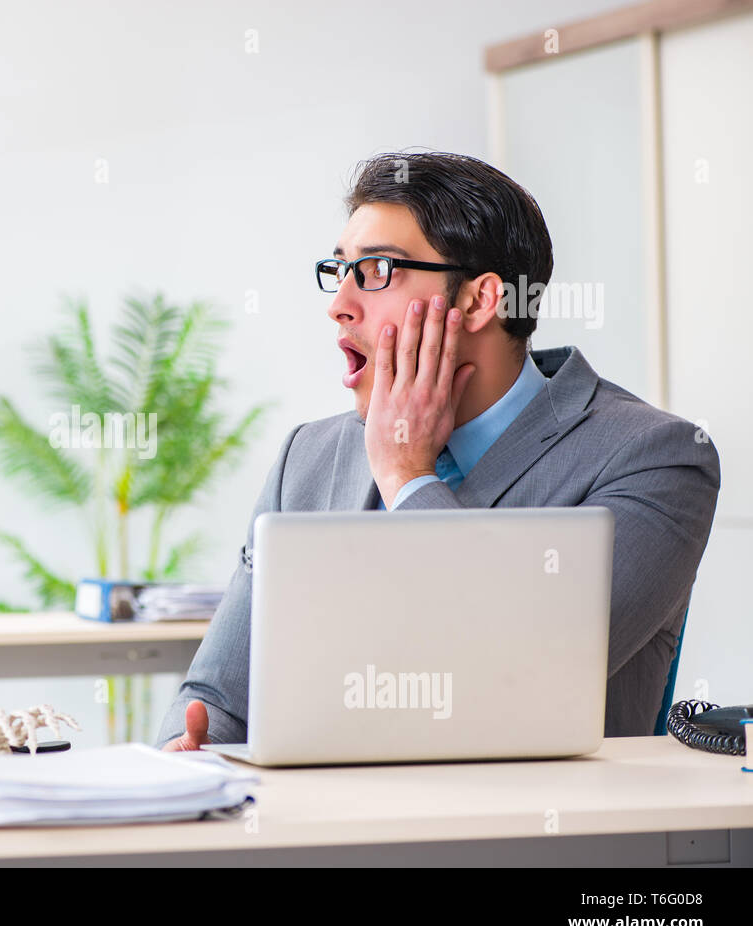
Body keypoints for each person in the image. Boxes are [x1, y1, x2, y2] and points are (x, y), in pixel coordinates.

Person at [156, 151, 720, 750]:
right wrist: (187, 753)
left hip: (521, 836)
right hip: (317, 832)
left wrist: (408, 474)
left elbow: (519, 685)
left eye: (376, 269)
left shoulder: (655, 456)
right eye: (339, 269)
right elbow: (217, 695)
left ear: (480, 301)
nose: (340, 303)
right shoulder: (309, 455)